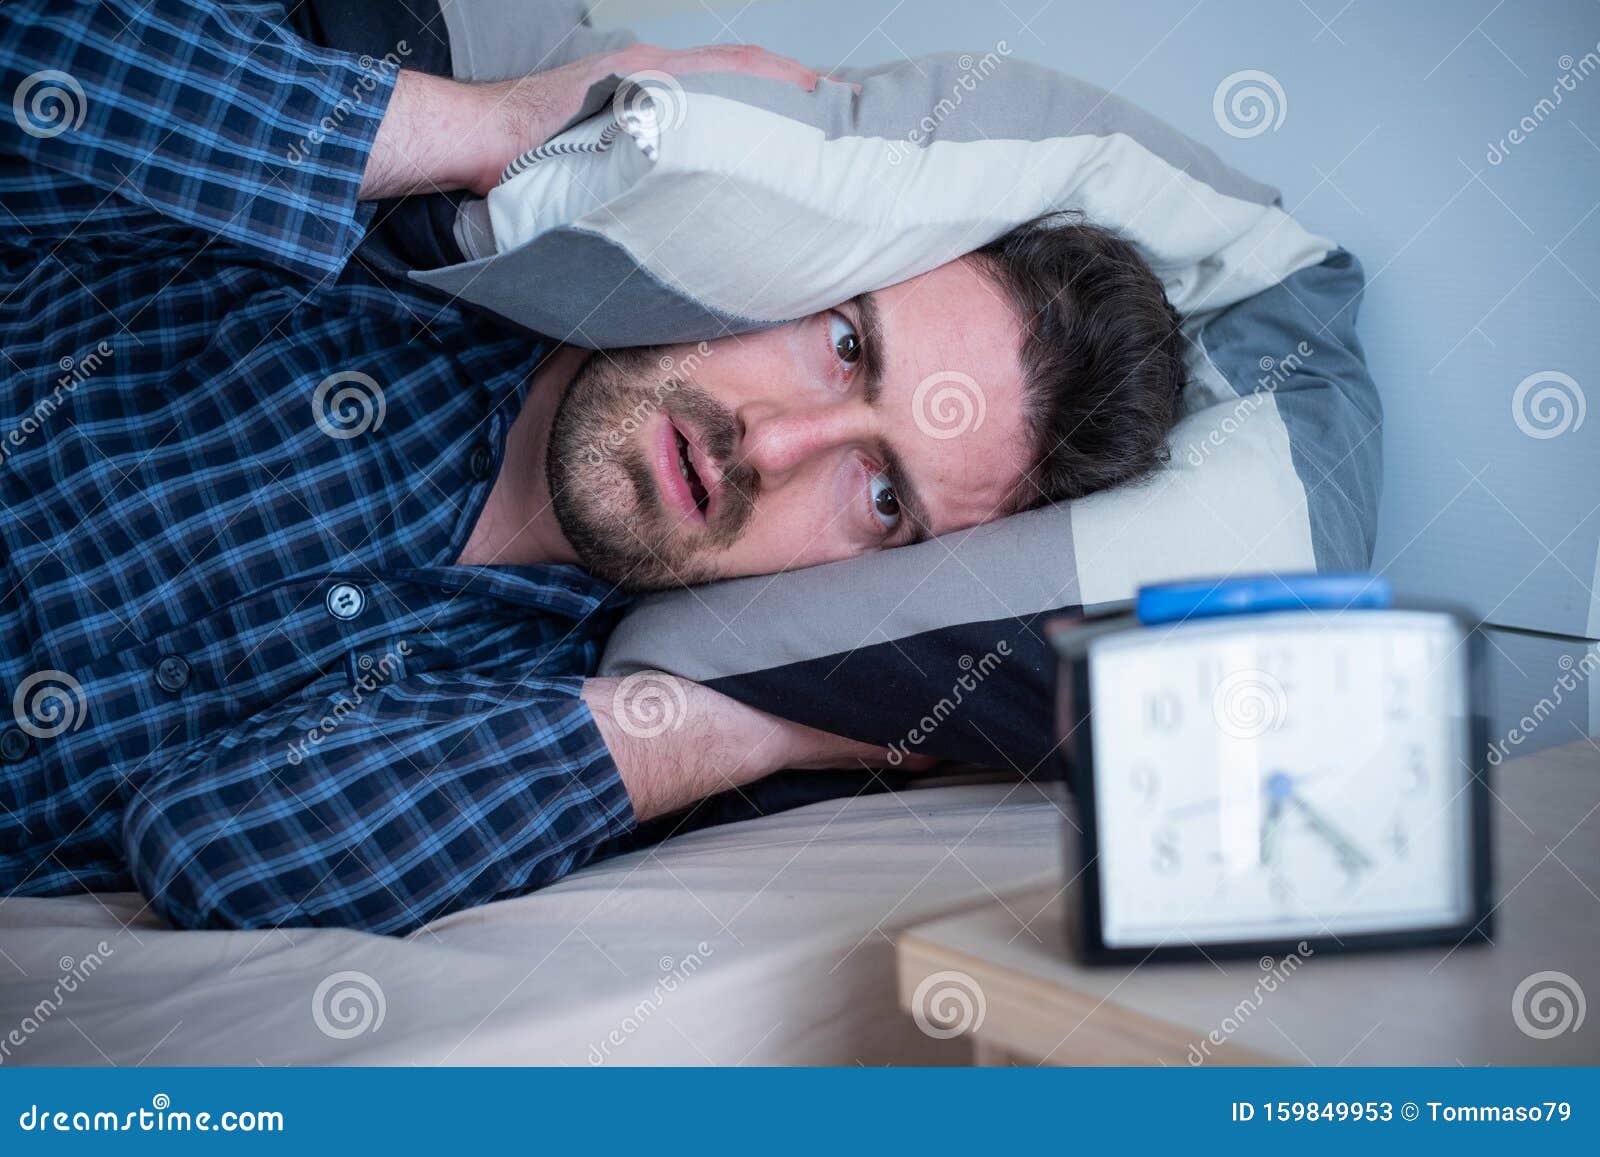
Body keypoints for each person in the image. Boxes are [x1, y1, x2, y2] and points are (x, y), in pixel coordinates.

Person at [0, 0, 1184, 933]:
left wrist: (766, 719)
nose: (770, 447)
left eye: (882, 498)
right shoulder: (352, 255)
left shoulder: (564, 721)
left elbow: (214, 854)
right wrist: (488, 128)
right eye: (844, 345)